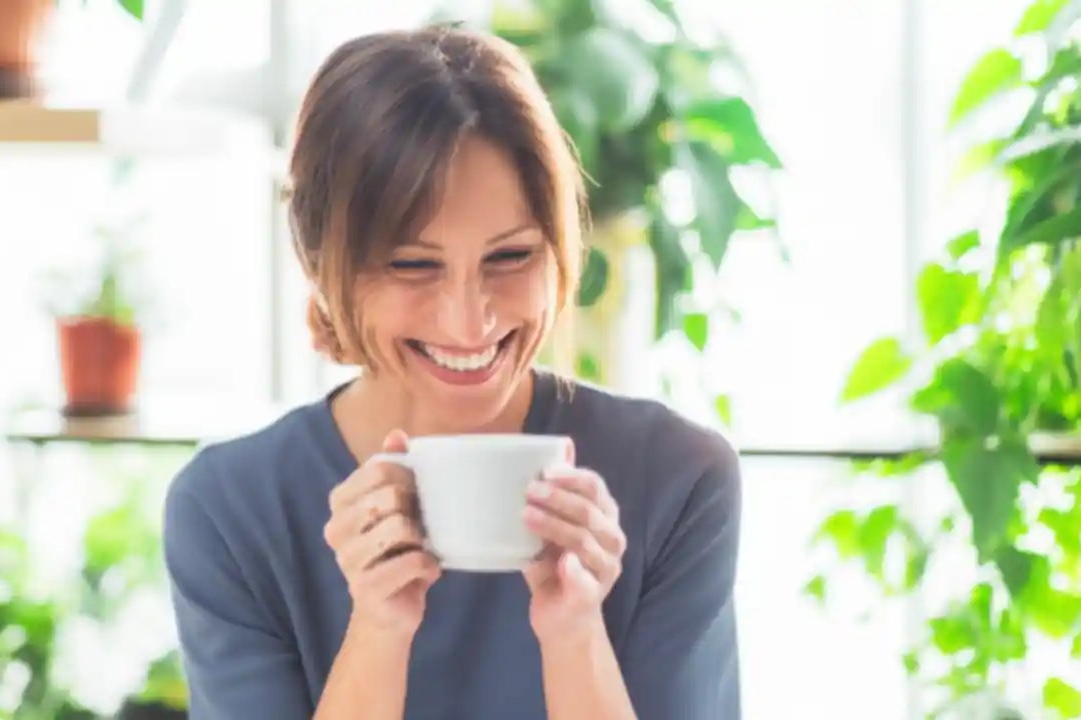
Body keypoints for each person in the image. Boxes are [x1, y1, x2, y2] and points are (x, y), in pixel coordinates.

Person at [162, 25, 742, 720]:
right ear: (321, 262)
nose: (470, 323)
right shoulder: (231, 511)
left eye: (511, 257)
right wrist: (377, 630)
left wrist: (574, 635)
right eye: (413, 265)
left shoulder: (677, 479)